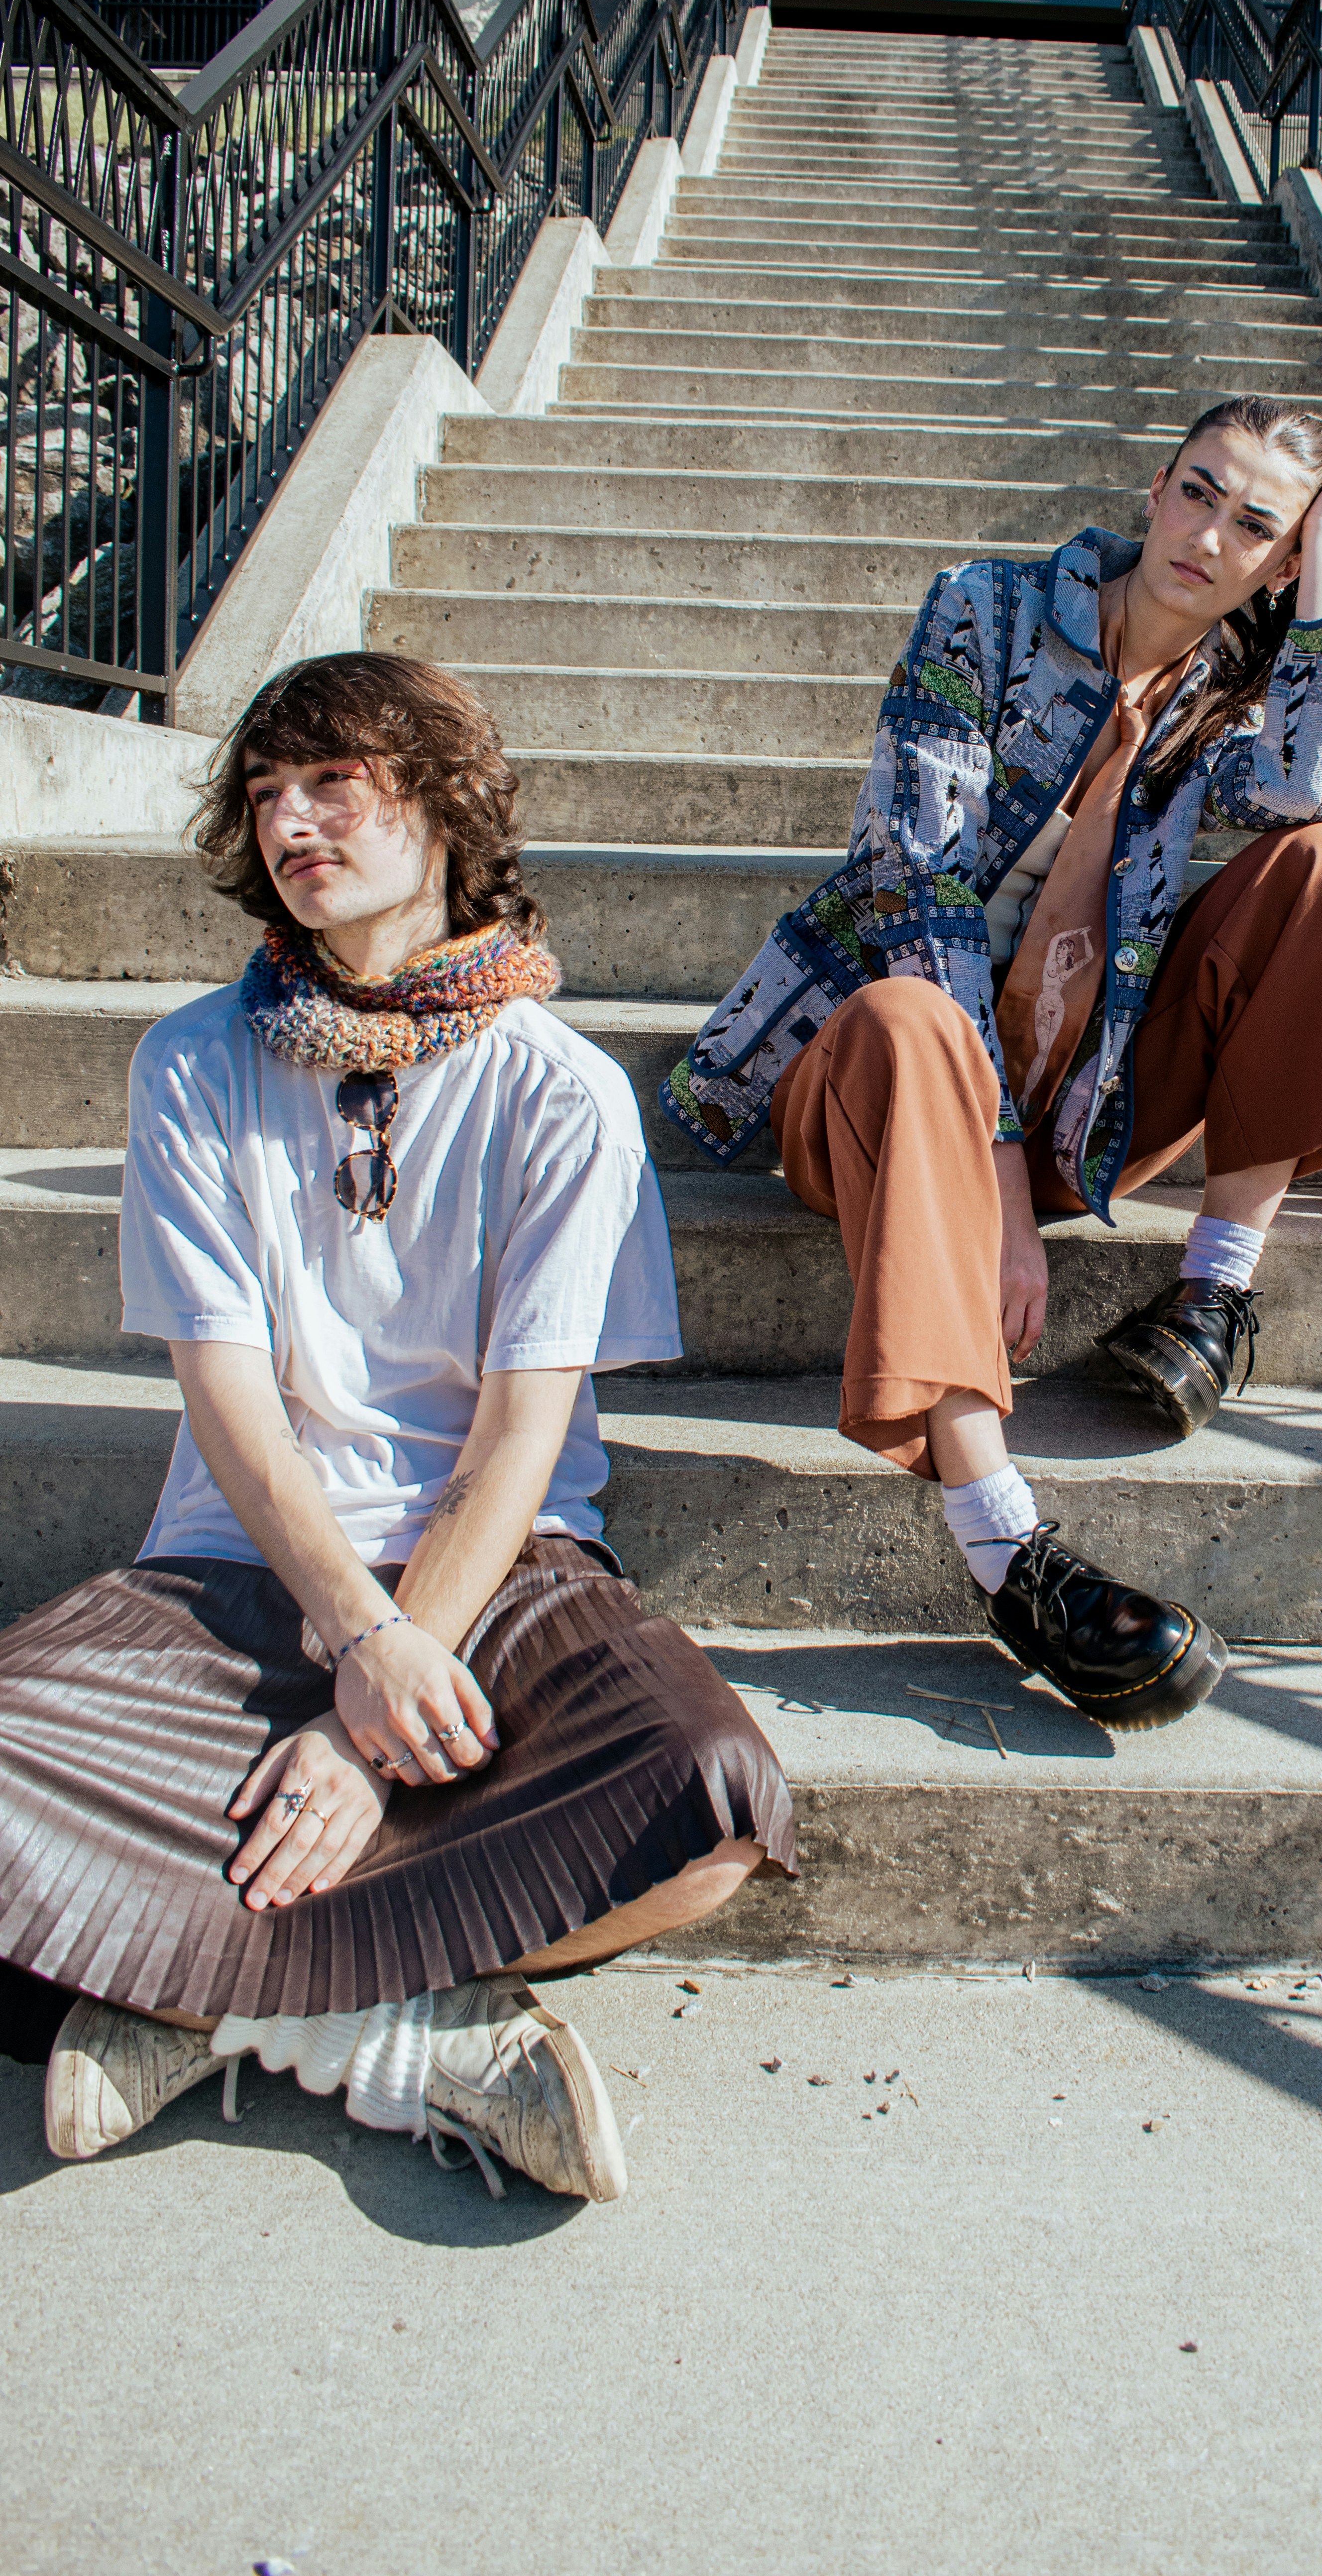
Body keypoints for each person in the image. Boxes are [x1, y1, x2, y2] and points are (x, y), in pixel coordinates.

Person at [0, 655, 794, 2201]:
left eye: (333, 783)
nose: (291, 822)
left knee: (708, 1812)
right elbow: (228, 1399)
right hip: (247, 1560)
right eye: (265, 796)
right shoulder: (193, 1062)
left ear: (438, 800)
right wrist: (358, 1644)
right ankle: (392, 2037)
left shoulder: (561, 1091)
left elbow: (516, 1435)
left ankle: (203, 1999)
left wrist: (376, 1724)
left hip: (496, 1576)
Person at [667, 399, 1322, 1722]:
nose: (1207, 535)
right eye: (1197, 492)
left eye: (1256, 525)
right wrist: (1001, 1182)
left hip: (1088, 1095)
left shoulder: (1230, 700)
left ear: (1279, 562)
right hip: (893, 1095)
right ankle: (1004, 1541)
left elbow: (1315, 798)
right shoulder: (989, 613)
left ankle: (1217, 1292)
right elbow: (916, 885)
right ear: (1159, 484)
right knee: (915, 1019)